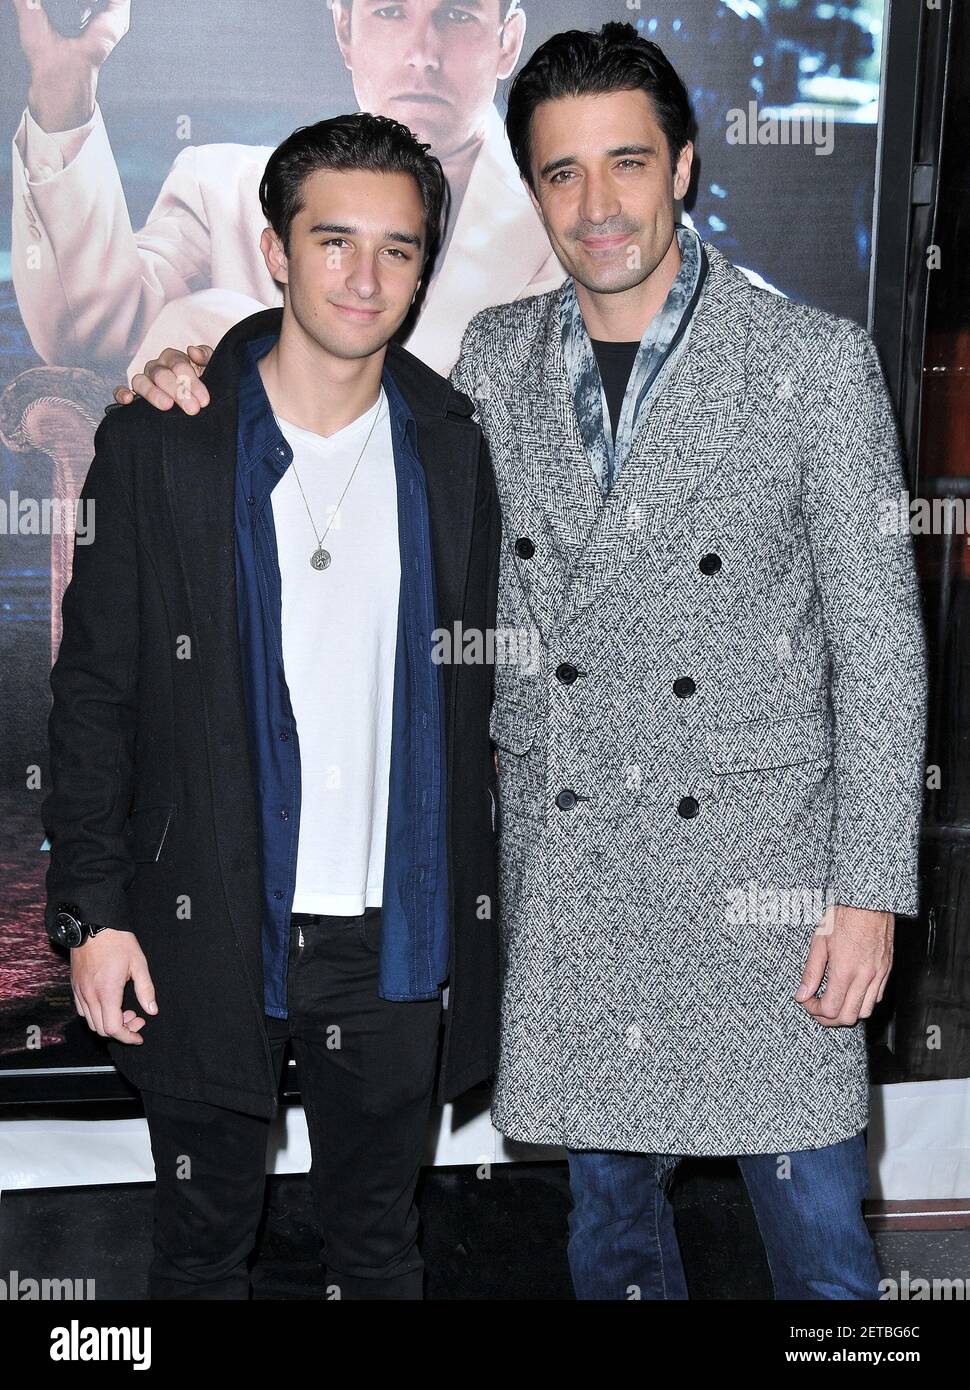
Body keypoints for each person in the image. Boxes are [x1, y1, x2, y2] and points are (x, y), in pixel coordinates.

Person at [115, 23, 928, 1302]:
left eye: (626, 163)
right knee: (606, 1244)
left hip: (771, 901)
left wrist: (869, 888)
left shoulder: (811, 365)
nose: (598, 206)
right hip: (581, 888)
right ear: (531, 188)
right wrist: (195, 371)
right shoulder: (492, 358)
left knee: (822, 1259)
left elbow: (882, 649)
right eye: (561, 173)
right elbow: (318, 381)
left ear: (684, 169)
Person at [41, 112, 502, 1300]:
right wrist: (93, 915)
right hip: (207, 917)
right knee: (200, 1250)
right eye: (333, 240)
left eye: (397, 249)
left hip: (389, 941)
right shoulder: (162, 440)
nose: (364, 276)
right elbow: (94, 695)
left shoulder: (454, 447)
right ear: (274, 250)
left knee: (379, 1247)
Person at [10, 0, 563, 378]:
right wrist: (65, 87)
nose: (423, 52)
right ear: (344, 30)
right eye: (390, 11)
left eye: (456, 14)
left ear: (507, 42)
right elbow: (87, 332)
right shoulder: (222, 189)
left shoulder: (567, 232)